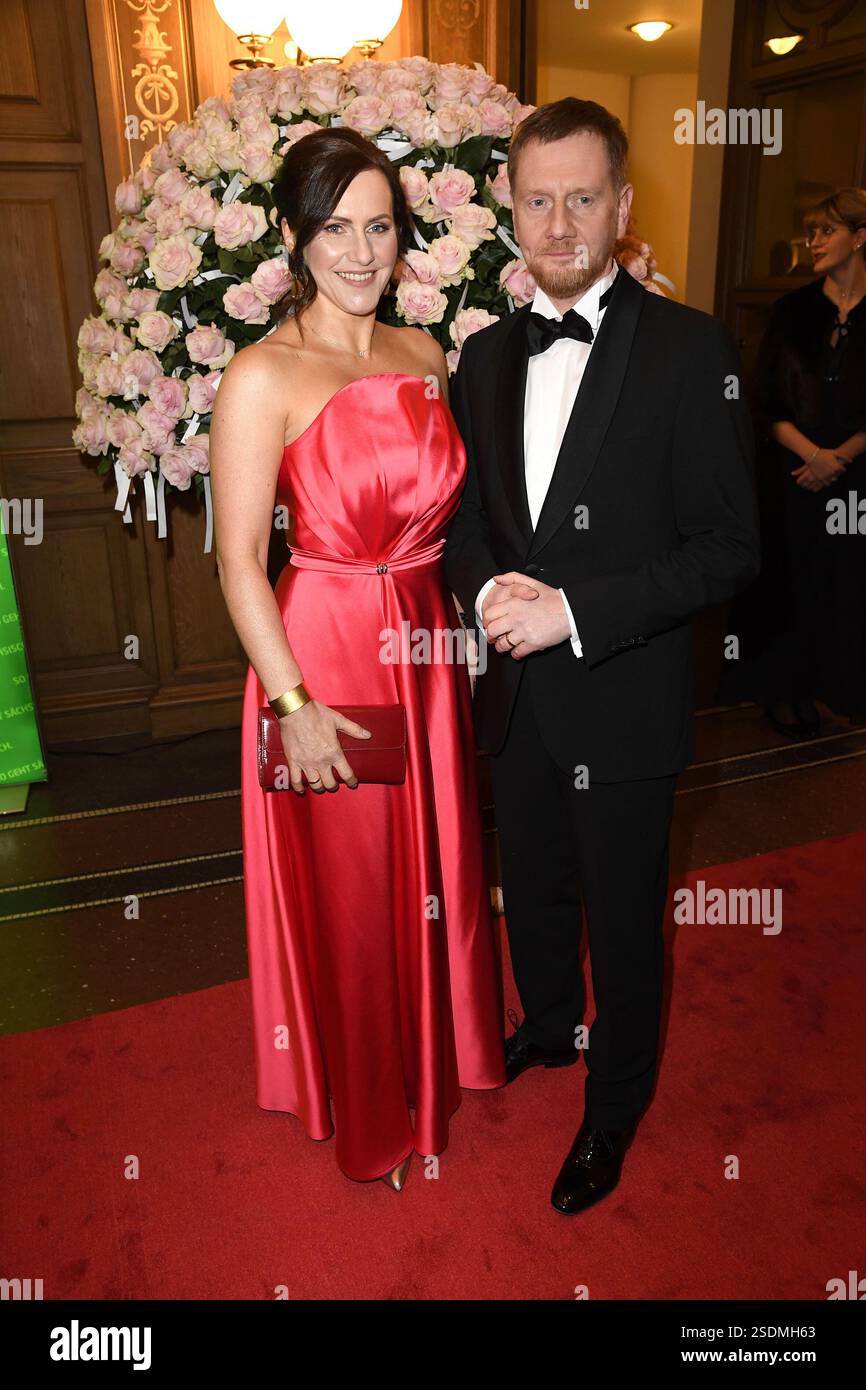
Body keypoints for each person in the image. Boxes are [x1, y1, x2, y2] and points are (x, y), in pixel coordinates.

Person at [444, 98, 760, 1215]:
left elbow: (728, 545)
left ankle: (613, 1106)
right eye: (538, 199)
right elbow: (465, 520)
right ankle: (541, 1024)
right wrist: (487, 592)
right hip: (516, 699)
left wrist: (573, 610)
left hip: (621, 700)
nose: (560, 220)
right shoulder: (480, 357)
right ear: (508, 211)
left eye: (583, 197)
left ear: (622, 207)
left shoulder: (690, 349)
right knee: (528, 881)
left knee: (623, 921)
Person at [209, 127, 505, 1191]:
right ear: (292, 238)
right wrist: (288, 700)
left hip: (423, 651)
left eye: (378, 224)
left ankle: (438, 1064)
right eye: (335, 226)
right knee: (355, 890)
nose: (360, 249)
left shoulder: (425, 356)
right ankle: (377, 1110)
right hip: (324, 652)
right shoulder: (261, 375)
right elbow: (239, 559)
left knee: (429, 869)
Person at [719, 188, 866, 737]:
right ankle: (783, 690)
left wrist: (841, 456)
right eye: (811, 231)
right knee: (787, 580)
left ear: (860, 237)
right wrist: (812, 455)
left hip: (856, 479)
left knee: (844, 581)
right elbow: (761, 400)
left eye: (827, 231)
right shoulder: (792, 309)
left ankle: (831, 686)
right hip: (790, 472)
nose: (815, 242)